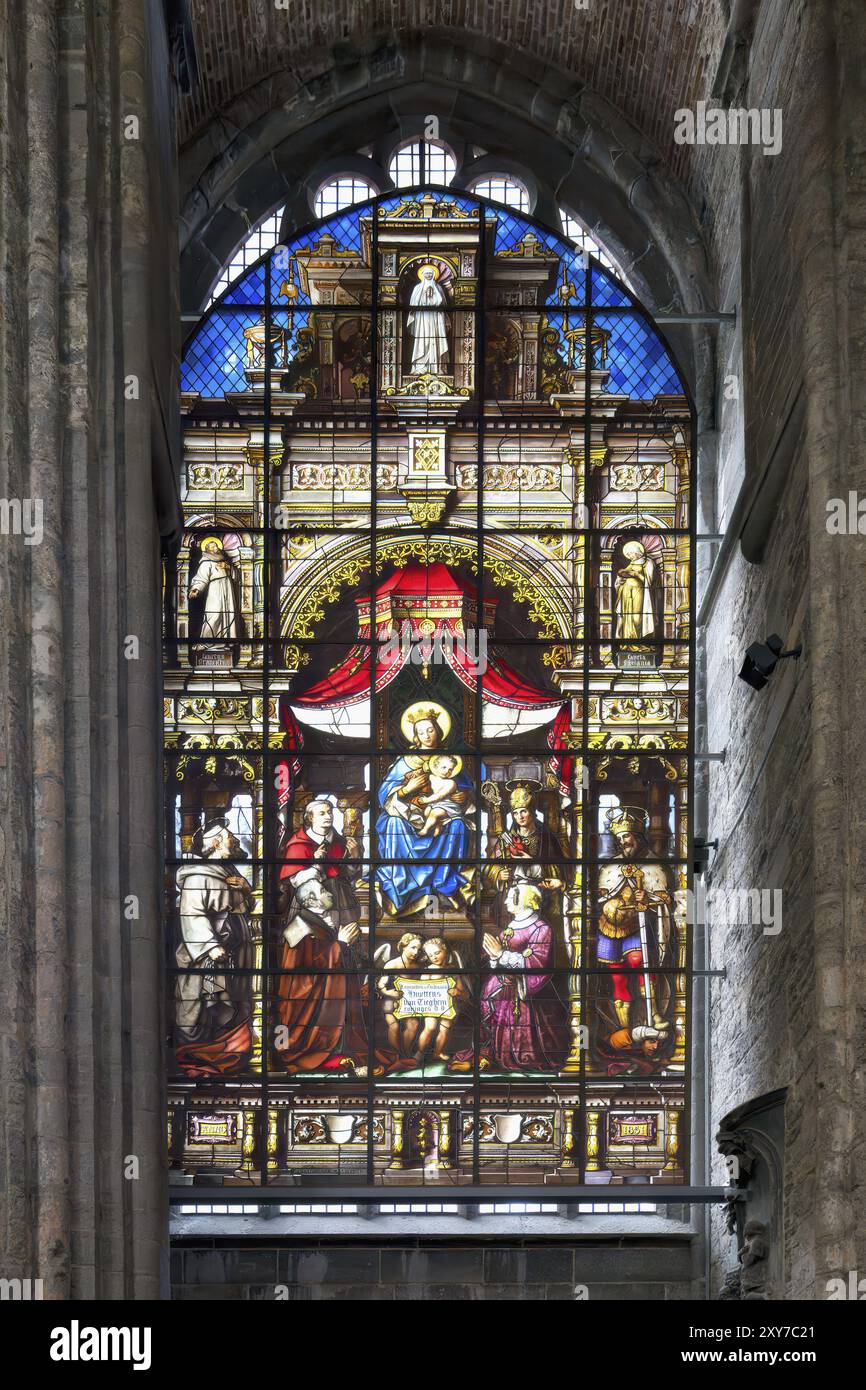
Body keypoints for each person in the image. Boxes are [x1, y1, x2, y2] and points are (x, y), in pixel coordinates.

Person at [450, 883, 567, 1073]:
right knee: (489, 1019)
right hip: (499, 985)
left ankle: (504, 1056)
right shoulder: (512, 925)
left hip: (521, 993)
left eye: (510, 897)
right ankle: (487, 1054)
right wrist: (495, 956)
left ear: (523, 900)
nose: (505, 901)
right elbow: (500, 954)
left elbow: (537, 962)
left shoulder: (541, 928)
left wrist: (500, 955)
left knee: (520, 1034)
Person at [376, 705, 475, 918]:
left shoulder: (451, 761)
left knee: (458, 825)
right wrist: (406, 789)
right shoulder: (405, 762)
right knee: (393, 822)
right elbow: (383, 794)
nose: (426, 736)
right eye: (421, 732)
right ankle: (400, 882)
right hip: (409, 815)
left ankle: (444, 881)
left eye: (430, 730)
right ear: (415, 736)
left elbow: (466, 788)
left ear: (438, 731)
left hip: (441, 815)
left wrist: (463, 796)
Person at [273, 877, 377, 1075]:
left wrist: (347, 946)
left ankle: (340, 1050)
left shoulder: (324, 921)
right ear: (312, 901)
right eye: (323, 891)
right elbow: (300, 972)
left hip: (332, 991)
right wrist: (340, 944)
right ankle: (327, 1053)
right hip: (309, 1000)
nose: (330, 893)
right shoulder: (298, 927)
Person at [174, 820, 254, 1077]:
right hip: (208, 957)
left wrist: (245, 889)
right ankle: (196, 1057)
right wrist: (210, 946)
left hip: (235, 955)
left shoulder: (229, 873)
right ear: (217, 842)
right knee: (199, 1007)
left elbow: (243, 907)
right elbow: (191, 914)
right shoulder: (198, 875)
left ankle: (227, 1057)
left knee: (235, 1003)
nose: (235, 840)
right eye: (230, 836)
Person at [279, 798, 361, 926]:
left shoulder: (341, 843)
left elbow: (348, 875)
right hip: (310, 904)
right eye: (322, 813)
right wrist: (316, 864)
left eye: (330, 812)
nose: (328, 816)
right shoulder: (298, 844)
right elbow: (297, 881)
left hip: (341, 900)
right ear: (310, 818)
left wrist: (355, 858)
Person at [188, 538, 240, 641]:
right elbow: (201, 578)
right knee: (214, 615)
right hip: (215, 590)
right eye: (213, 547)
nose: (216, 548)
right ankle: (208, 642)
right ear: (207, 550)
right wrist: (196, 589)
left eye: (216, 546)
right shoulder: (206, 563)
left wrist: (228, 567)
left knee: (229, 613)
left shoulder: (225, 562)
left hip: (227, 588)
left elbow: (237, 577)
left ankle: (227, 642)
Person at [407, 263, 448, 374]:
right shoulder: (417, 288)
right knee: (422, 341)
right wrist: (423, 293)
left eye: (431, 273)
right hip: (422, 318)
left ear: (434, 275)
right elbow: (413, 304)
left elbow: (443, 303)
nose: (429, 275)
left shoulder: (438, 287)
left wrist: (434, 292)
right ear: (423, 275)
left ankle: (436, 367)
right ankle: (420, 367)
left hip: (435, 318)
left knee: (435, 339)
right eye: (427, 273)